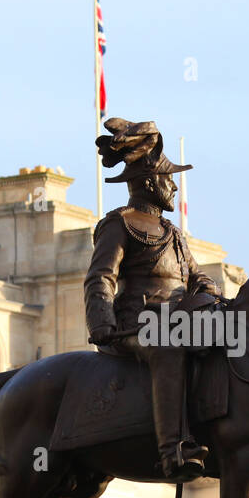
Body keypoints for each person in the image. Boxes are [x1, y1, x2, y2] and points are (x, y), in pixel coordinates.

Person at [85, 118, 221, 479]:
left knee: (231, 340)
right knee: (168, 346)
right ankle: (173, 449)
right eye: (168, 179)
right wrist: (101, 323)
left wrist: (209, 291)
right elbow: (101, 276)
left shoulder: (173, 233)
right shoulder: (119, 224)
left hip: (178, 322)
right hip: (137, 326)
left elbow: (196, 275)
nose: (174, 187)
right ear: (148, 182)